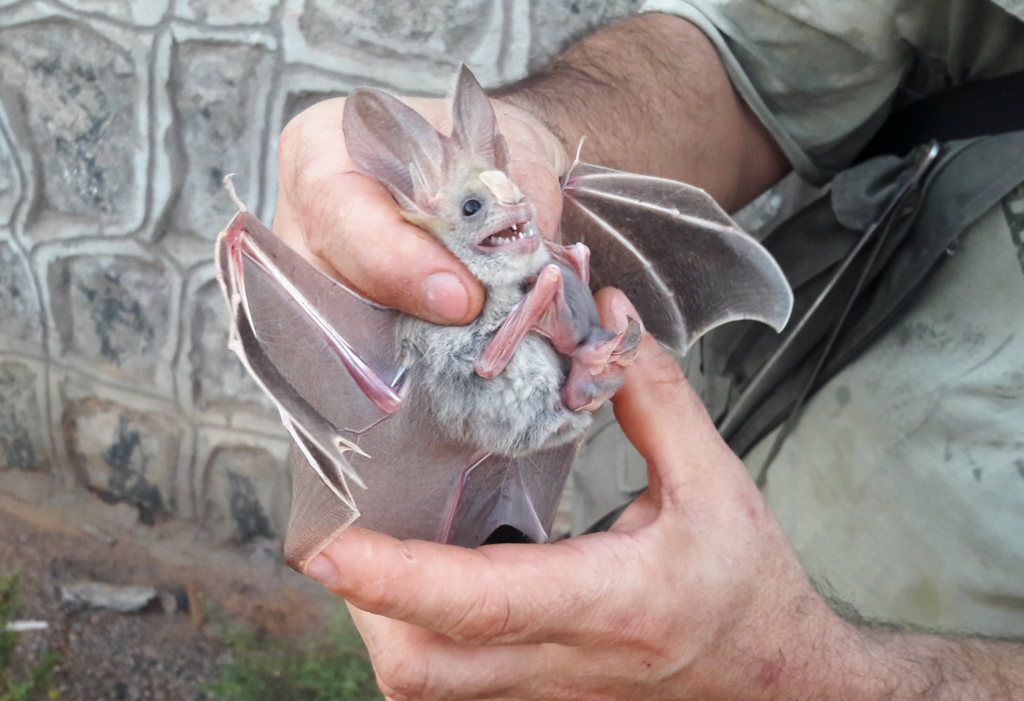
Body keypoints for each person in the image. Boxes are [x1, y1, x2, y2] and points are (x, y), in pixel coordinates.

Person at [272, 3, 1024, 699]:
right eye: (485, 201)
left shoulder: (542, 272)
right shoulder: (480, 250)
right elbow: (752, 52)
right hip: (625, 490)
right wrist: (534, 133)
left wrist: (824, 673)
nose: (513, 210)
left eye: (506, 196)